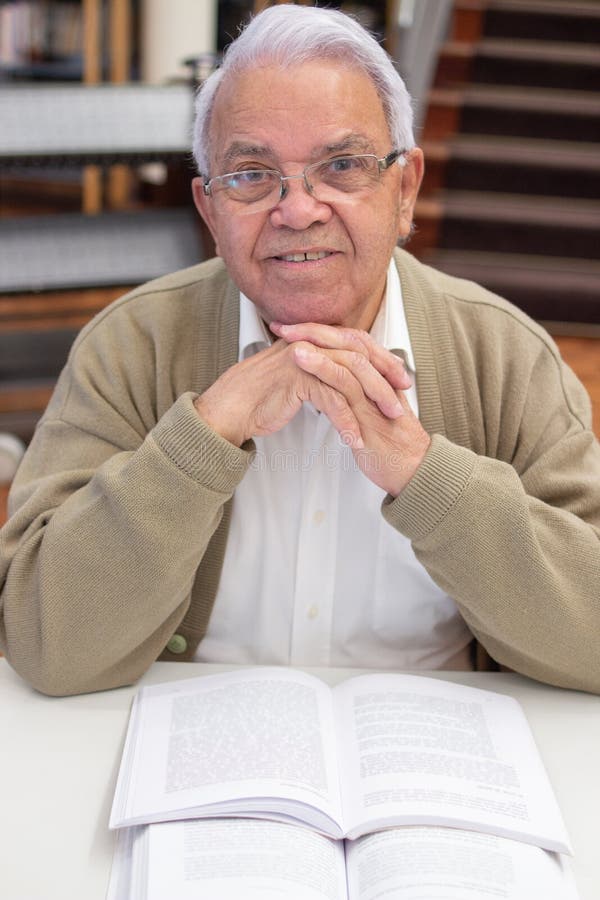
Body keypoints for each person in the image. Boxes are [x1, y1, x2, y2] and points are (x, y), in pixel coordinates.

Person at [1, 5, 599, 697]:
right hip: (189, 742)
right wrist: (205, 435)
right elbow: (45, 643)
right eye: (251, 174)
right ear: (210, 211)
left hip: (429, 747)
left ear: (405, 190)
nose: (298, 210)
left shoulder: (506, 356)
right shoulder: (131, 346)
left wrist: (422, 474)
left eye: (342, 166)